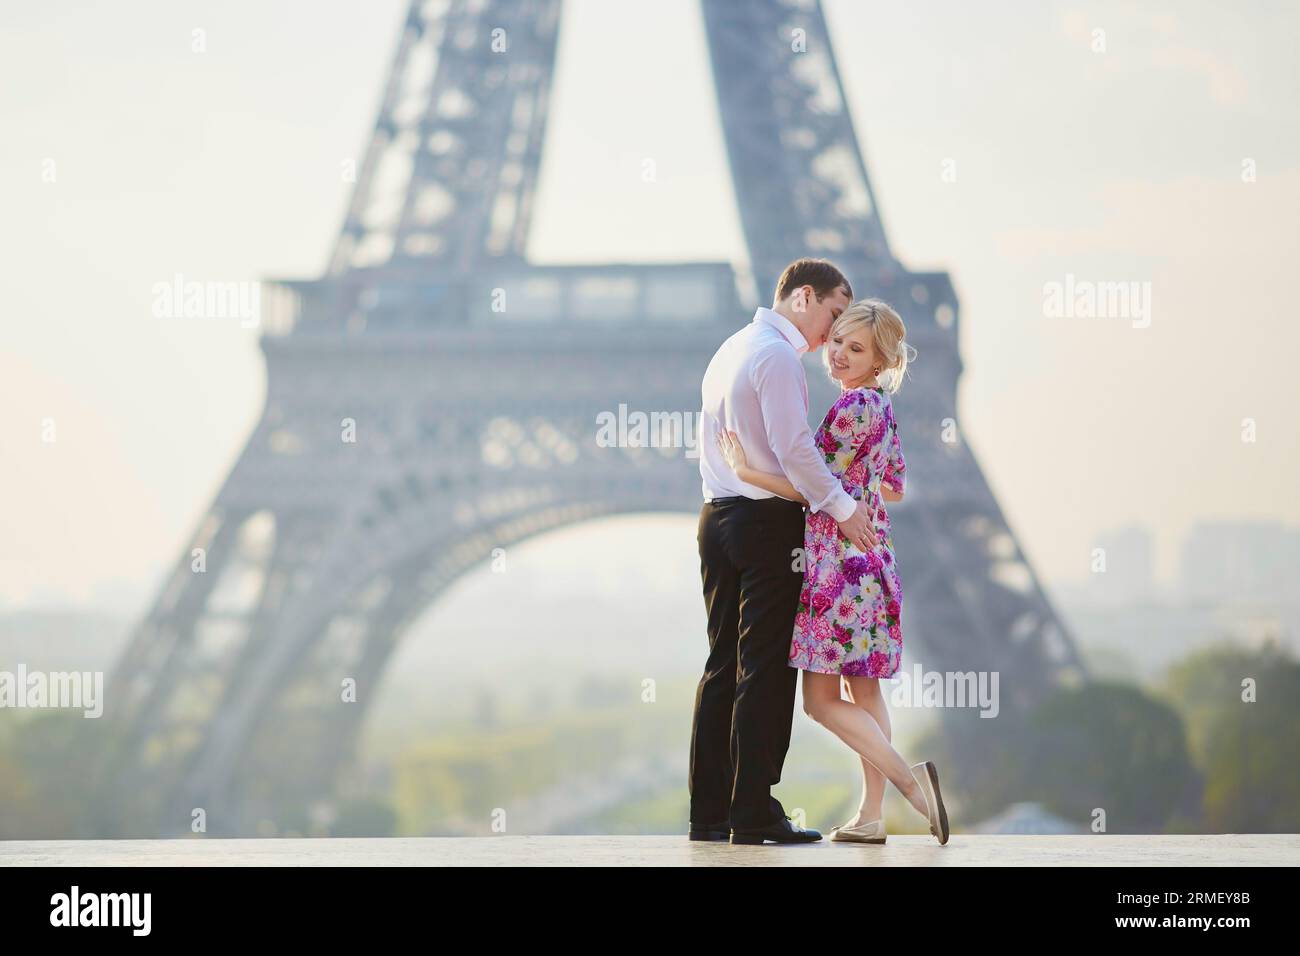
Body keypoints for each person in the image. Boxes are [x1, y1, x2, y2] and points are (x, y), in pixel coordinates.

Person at [715, 297, 950, 845]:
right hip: (873, 562)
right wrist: (857, 487)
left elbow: (810, 488)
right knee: (864, 697)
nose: (840, 353)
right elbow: (895, 485)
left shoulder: (848, 410)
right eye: (839, 340)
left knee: (821, 702)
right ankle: (871, 817)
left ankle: (911, 787)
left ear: (880, 359)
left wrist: (745, 469)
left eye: (856, 348)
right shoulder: (880, 407)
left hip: (838, 569)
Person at [689, 257, 877, 845]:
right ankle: (754, 812)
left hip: (716, 518)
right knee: (765, 671)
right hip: (765, 524)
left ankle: (710, 812)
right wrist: (845, 510)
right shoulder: (776, 357)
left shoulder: (732, 348)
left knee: (722, 665)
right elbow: (796, 450)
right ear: (802, 297)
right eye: (833, 311)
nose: (833, 330)